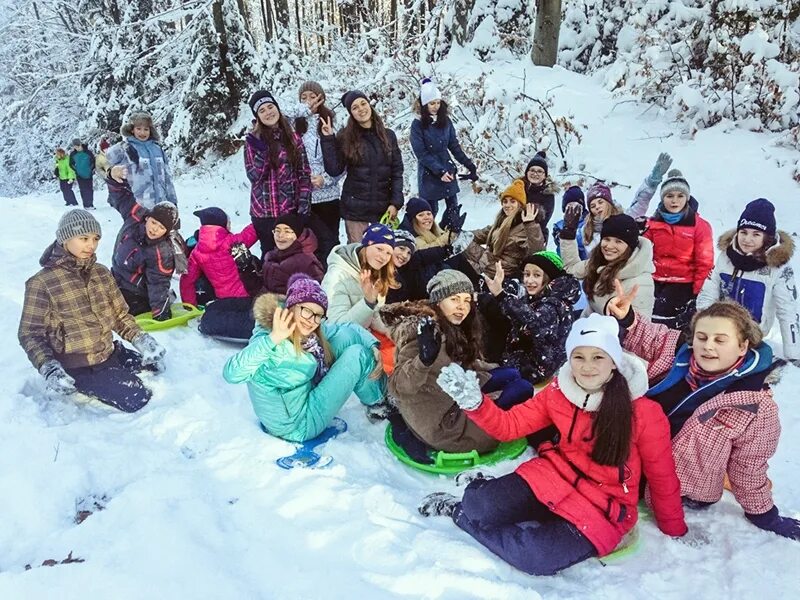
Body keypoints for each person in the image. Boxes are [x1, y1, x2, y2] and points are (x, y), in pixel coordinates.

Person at [418, 313, 687, 575]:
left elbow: (661, 475)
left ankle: (459, 514)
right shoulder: (559, 392)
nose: (587, 366)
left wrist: (674, 528)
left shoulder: (643, 413)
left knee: (534, 556)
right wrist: (476, 404)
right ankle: (479, 492)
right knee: (479, 506)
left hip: (603, 505)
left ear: (614, 362)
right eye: (578, 357)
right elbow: (509, 425)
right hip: (553, 475)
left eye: (598, 357)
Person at [609, 284, 800, 542]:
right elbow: (651, 335)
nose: (708, 346)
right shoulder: (679, 352)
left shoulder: (755, 405)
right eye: (702, 337)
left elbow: (749, 467)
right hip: (636, 455)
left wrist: (765, 515)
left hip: (681, 486)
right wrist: (627, 317)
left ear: (742, 347)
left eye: (721, 340)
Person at [18, 209, 166, 412]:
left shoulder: (101, 273)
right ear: (65, 238)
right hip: (78, 366)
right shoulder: (41, 283)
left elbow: (119, 314)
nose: (91, 245)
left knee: (156, 366)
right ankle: (89, 381)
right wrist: (49, 367)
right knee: (137, 397)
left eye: (96, 238)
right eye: (84, 238)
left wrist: (140, 339)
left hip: (107, 351)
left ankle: (113, 364)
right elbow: (30, 333)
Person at [383, 270, 533, 456]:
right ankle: (503, 425)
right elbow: (398, 387)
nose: (462, 307)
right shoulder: (423, 334)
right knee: (523, 388)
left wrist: (489, 368)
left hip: (450, 392)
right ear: (438, 302)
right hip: (445, 425)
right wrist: (423, 360)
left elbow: (459, 362)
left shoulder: (450, 326)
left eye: (466, 300)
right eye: (454, 299)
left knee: (512, 375)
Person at [223, 274, 386, 442]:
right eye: (307, 311)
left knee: (344, 337)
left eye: (318, 315)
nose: (312, 320)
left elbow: (344, 329)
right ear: (292, 307)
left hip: (304, 396)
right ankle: (380, 403)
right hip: (297, 424)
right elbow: (231, 373)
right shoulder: (269, 339)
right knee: (357, 355)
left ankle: (377, 394)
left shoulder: (309, 332)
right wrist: (274, 338)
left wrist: (372, 344)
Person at [697, 199, 800, 362]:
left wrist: (794, 354)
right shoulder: (726, 256)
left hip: (752, 335)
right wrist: (704, 326)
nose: (747, 239)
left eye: (756, 234)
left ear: (767, 238)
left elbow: (787, 311)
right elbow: (709, 291)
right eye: (743, 232)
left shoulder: (778, 268)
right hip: (720, 330)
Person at [479, 251, 580, 385]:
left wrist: (501, 295)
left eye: (536, 275)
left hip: (534, 368)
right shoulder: (537, 297)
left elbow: (533, 321)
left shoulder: (555, 305)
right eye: (526, 274)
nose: (529, 280)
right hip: (521, 353)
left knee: (485, 380)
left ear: (551, 279)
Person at [320, 90, 404, 243]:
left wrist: (395, 203)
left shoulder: (388, 136)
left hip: (383, 208)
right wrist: (328, 139)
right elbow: (334, 169)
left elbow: (397, 171)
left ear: (369, 105)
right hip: (355, 209)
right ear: (351, 113)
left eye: (363, 103)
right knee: (358, 254)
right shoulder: (346, 137)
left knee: (381, 253)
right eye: (355, 107)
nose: (361, 109)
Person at [244, 90, 312, 257]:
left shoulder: (293, 138)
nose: (268, 112)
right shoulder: (253, 141)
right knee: (269, 258)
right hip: (264, 213)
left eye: (270, 106)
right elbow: (254, 176)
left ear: (277, 108)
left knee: (292, 257)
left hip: (289, 211)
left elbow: (304, 174)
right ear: (258, 116)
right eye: (262, 110)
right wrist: (262, 152)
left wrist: (303, 207)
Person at [644, 169, 714, 330]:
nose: (674, 201)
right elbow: (642, 251)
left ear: (687, 198)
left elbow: (704, 262)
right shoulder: (652, 223)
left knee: (667, 322)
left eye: (680, 196)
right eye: (669, 196)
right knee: (647, 317)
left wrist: (698, 294)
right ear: (663, 198)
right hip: (655, 279)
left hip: (683, 282)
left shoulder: (700, 226)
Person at [179, 207, 260, 341]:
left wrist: (190, 306)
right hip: (247, 297)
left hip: (223, 300)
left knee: (213, 314)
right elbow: (253, 230)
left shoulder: (197, 252)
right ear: (222, 224)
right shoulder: (232, 241)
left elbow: (187, 280)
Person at [409, 78, 477, 229]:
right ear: (424, 104)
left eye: (438, 102)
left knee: (453, 208)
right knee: (430, 211)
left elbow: (454, 145)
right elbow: (421, 153)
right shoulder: (417, 124)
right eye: (431, 103)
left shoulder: (445, 121)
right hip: (429, 171)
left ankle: (450, 235)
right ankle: (429, 239)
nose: (435, 107)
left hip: (447, 167)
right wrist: (439, 170)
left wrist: (468, 164)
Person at [108, 177, 180, 319]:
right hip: (115, 277)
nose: (155, 230)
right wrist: (113, 177)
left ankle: (164, 300)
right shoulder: (134, 218)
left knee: (109, 309)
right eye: (154, 223)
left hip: (135, 292)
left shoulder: (162, 251)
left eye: (161, 228)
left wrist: (161, 312)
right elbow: (121, 197)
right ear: (147, 218)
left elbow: (158, 282)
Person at [560, 211, 655, 317]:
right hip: (588, 324)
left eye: (618, 241)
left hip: (609, 332)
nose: (609, 246)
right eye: (607, 239)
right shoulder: (600, 262)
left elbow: (638, 328)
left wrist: (625, 318)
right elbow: (572, 269)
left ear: (630, 246)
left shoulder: (640, 283)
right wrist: (568, 234)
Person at [291, 81, 343, 267]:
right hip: (305, 199)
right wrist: (300, 112)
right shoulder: (292, 128)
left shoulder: (332, 125)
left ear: (321, 99)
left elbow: (341, 165)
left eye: (313, 97)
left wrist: (325, 179)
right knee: (310, 245)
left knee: (331, 243)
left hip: (329, 198)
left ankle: (332, 283)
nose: (308, 102)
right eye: (303, 98)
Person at [578, 153, 673, 253]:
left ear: (609, 203)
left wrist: (652, 181)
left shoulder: (623, 219)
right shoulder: (586, 230)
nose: (597, 207)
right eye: (593, 206)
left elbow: (640, 202)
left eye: (600, 202)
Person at [321, 223, 399, 331]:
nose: (383, 257)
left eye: (388, 253)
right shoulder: (337, 275)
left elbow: (374, 315)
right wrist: (368, 302)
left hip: (364, 335)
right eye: (379, 249)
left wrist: (393, 332)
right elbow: (336, 326)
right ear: (366, 245)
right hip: (340, 341)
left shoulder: (376, 271)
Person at [463, 179, 545, 280]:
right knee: (460, 242)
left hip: (502, 272)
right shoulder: (502, 221)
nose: (507, 205)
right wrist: (459, 234)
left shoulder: (526, 226)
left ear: (520, 204)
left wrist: (530, 224)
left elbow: (537, 253)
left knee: (458, 258)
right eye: (505, 201)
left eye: (512, 201)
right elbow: (481, 234)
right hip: (489, 263)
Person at [107, 112, 178, 210]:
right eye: (138, 129)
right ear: (132, 130)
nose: (142, 133)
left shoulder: (158, 149)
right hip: (138, 206)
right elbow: (109, 161)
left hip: (162, 203)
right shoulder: (125, 148)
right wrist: (112, 171)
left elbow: (167, 177)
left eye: (146, 129)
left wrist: (173, 201)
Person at [262, 213, 324, 294]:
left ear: (297, 234)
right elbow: (261, 291)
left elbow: (316, 296)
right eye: (277, 231)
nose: (280, 235)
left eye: (287, 231)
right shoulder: (271, 257)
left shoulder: (306, 262)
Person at [521, 150, 558, 243]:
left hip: (536, 236)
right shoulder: (519, 188)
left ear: (545, 175)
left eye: (539, 171)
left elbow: (542, 221)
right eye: (532, 170)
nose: (535, 174)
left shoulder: (548, 195)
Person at [552, 185, 588, 259]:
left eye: (577, 206)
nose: (573, 209)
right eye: (570, 206)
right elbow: (561, 250)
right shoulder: (559, 226)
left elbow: (583, 244)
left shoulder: (588, 222)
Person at [69, 138, 95, 209]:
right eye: (75, 147)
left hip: (88, 174)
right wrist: (77, 170)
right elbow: (71, 164)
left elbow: (93, 161)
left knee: (89, 189)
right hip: (79, 175)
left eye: (78, 146)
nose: (76, 148)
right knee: (83, 190)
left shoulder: (88, 152)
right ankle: (86, 205)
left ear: (80, 144)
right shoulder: (73, 154)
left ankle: (90, 204)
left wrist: (90, 169)